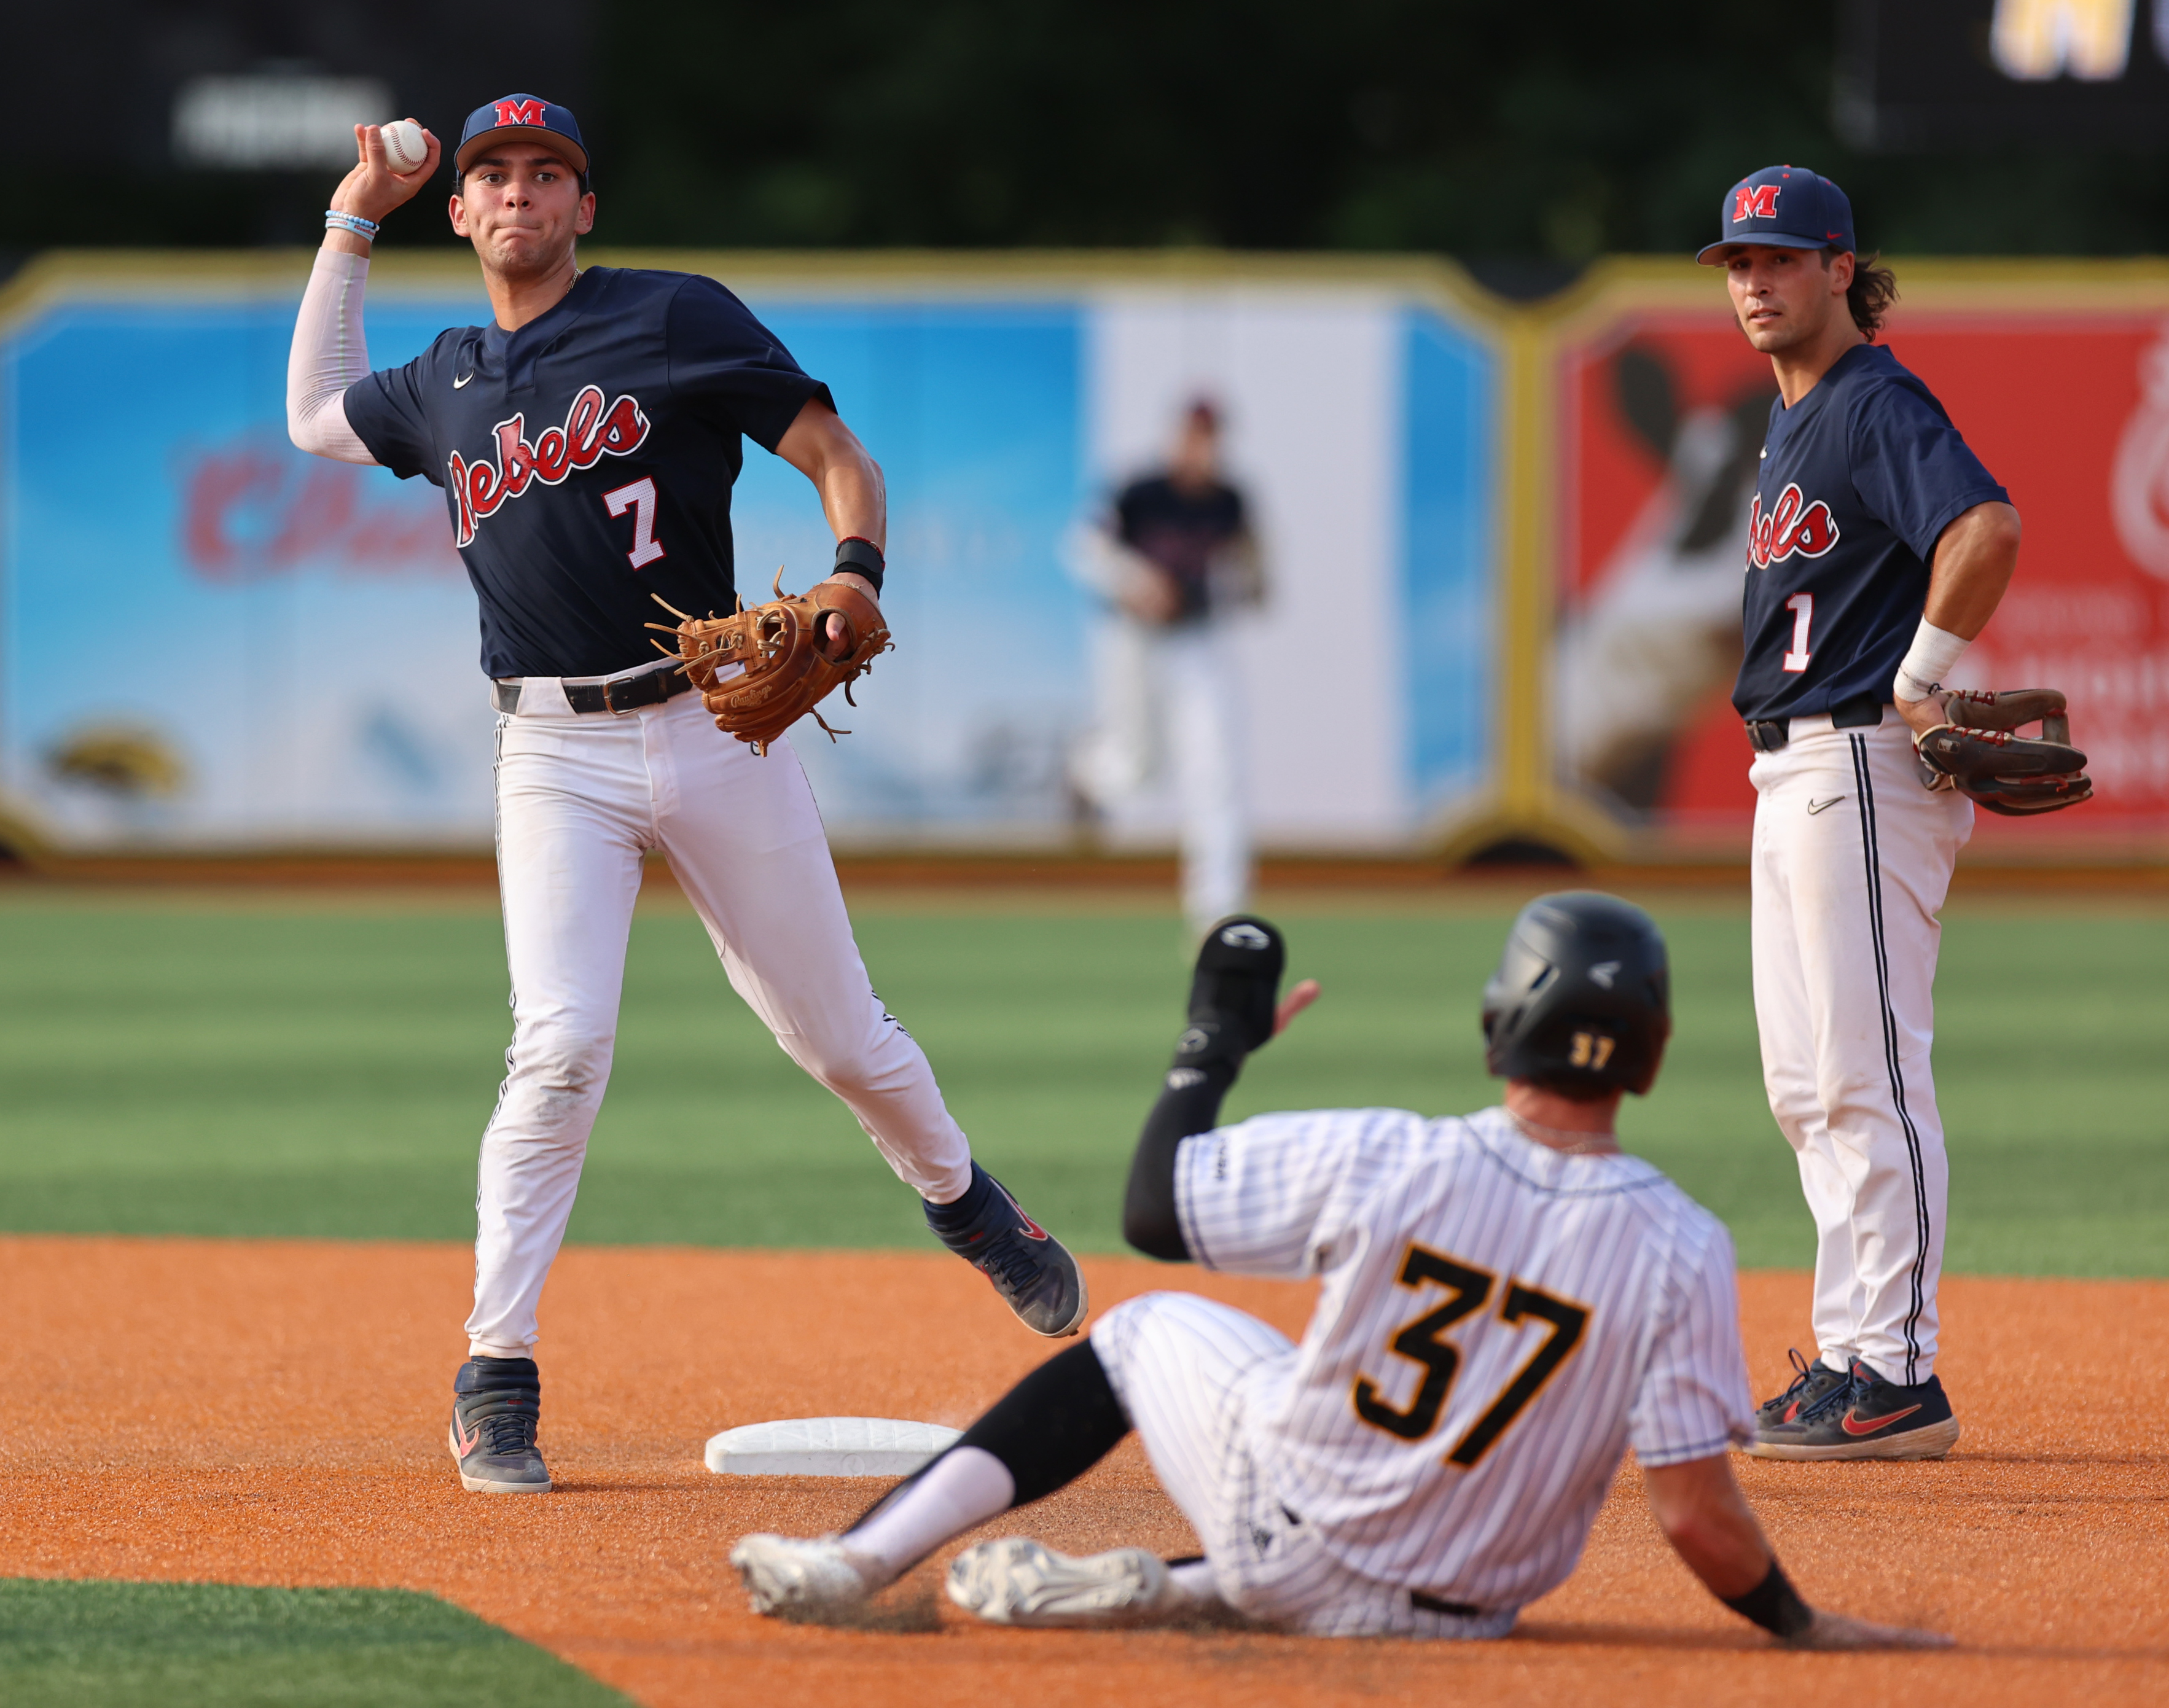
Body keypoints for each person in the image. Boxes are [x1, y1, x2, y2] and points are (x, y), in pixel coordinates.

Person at [285, 97, 1086, 1497]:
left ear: (585, 207)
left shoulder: (673, 318)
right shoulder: (443, 378)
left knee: (840, 1040)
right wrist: (356, 216)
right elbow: (309, 416)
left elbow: (840, 455)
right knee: (560, 1050)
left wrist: (854, 566)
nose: (520, 192)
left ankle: (964, 1201)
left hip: (716, 729)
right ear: (462, 212)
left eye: (549, 173)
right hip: (550, 754)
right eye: (493, 177)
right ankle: (497, 1372)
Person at [730, 899, 1945, 1650]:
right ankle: (1168, 1589)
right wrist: (1801, 1623)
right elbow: (1691, 1510)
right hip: (1466, 1613)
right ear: (1651, 1052)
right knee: (1400, 1479)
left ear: (1498, 1022)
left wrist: (1213, 1040)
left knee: (1143, 1328)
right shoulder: (1683, 1245)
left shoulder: (1391, 1155)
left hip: (1280, 1540)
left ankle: (862, 1562)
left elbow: (1154, 1208)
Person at [1699, 166, 2017, 1460]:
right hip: (1791, 768)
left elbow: (1983, 526)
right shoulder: (1792, 418)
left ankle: (1897, 1371)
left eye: (1779, 259)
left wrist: (1923, 676)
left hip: (1861, 761)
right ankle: (1847, 1352)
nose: (1755, 283)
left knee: (1867, 1069)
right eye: (1736, 262)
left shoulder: (1873, 398)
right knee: (1805, 1083)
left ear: (1841, 267)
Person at [1070, 401, 1264, 937]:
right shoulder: (1143, 491)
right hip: (1133, 641)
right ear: (1177, 436)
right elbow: (1084, 550)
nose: (1201, 446)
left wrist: (1255, 581)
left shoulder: (1228, 500)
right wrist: (1138, 581)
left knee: (1216, 769)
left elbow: (1250, 563)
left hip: (1198, 640)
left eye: (1211, 436)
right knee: (1137, 769)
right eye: (1194, 435)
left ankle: (1217, 915)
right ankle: (1085, 774)